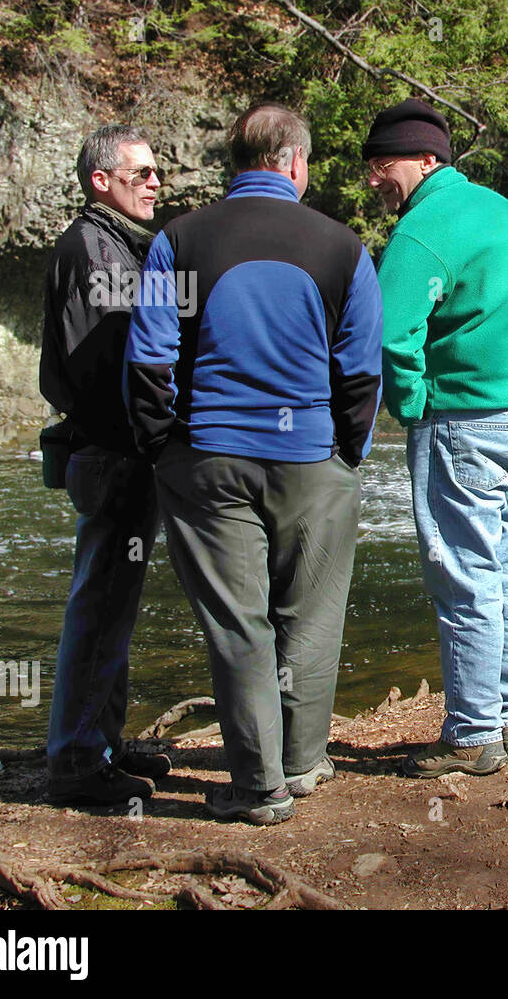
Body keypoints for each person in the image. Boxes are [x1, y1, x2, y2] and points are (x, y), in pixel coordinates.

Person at [125, 103, 383, 824]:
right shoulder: (343, 247)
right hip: (310, 458)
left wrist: (161, 449)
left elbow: (148, 363)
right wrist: (346, 453)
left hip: (208, 456)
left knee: (240, 622)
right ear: (295, 164)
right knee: (311, 614)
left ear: (235, 166)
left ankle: (258, 785)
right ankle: (301, 762)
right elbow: (362, 372)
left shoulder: (178, 239)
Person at [363, 98, 508, 778]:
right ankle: (505, 714)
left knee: (464, 571)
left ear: (424, 159)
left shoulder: (420, 235)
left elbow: (388, 335)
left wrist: (414, 405)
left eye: (380, 164)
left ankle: (473, 734)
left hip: (462, 424)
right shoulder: (505, 212)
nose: (372, 180)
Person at [40, 124, 170, 806]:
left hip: (113, 452)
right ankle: (78, 762)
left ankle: (102, 743)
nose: (155, 182)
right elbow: (110, 364)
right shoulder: (95, 251)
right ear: (101, 181)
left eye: (155, 172)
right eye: (140, 173)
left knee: (112, 603)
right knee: (99, 605)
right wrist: (150, 435)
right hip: (112, 453)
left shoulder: (113, 243)